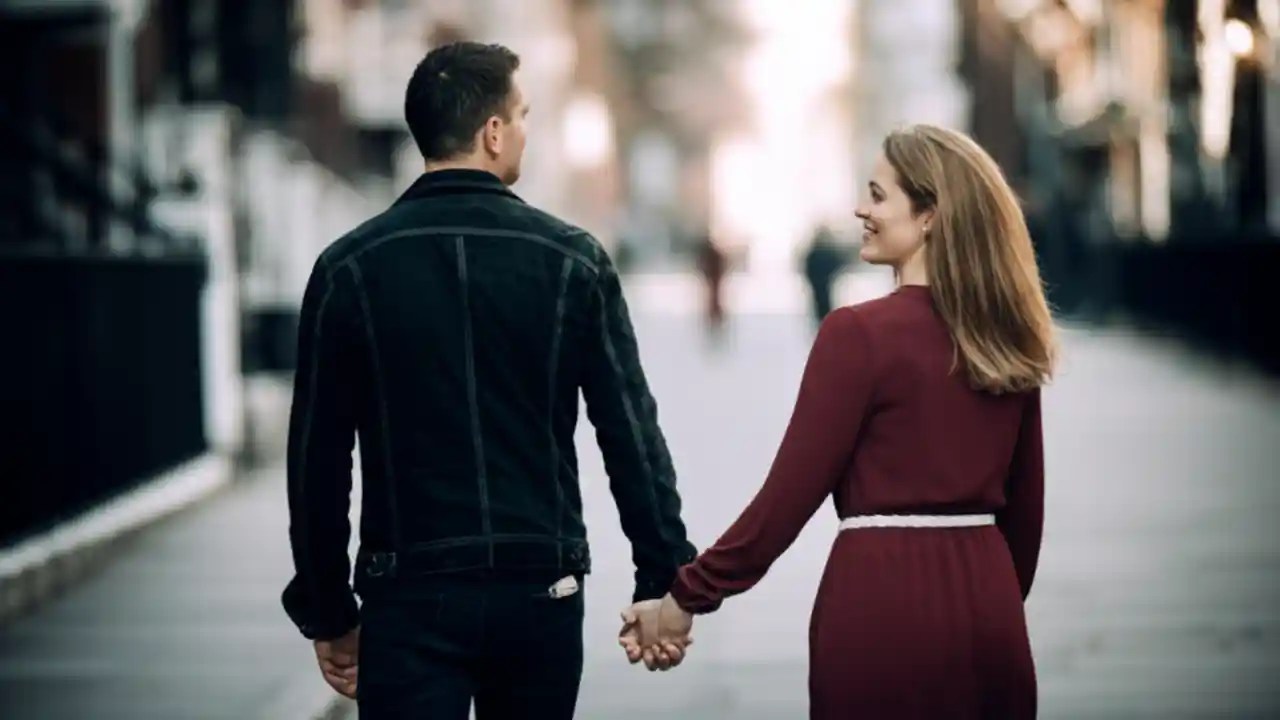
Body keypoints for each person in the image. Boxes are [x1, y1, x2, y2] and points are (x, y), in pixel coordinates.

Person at [282, 41, 696, 719]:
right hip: (539, 586)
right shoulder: (572, 261)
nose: (526, 130)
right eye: (523, 114)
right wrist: (663, 577)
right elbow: (629, 432)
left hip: (408, 591)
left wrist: (328, 608)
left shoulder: (349, 268)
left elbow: (317, 459)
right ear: (493, 131)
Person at [622, 125, 1055, 719]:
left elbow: (786, 501)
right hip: (988, 606)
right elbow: (1026, 514)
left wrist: (686, 596)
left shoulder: (857, 336)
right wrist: (993, 603)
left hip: (878, 605)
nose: (861, 209)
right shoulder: (1006, 338)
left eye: (878, 195)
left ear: (929, 215)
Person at [801, 224, 849, 327]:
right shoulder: (821, 252)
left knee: (822, 303)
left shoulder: (820, 252)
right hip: (820, 283)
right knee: (821, 303)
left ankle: (824, 322)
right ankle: (824, 322)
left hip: (822, 283)